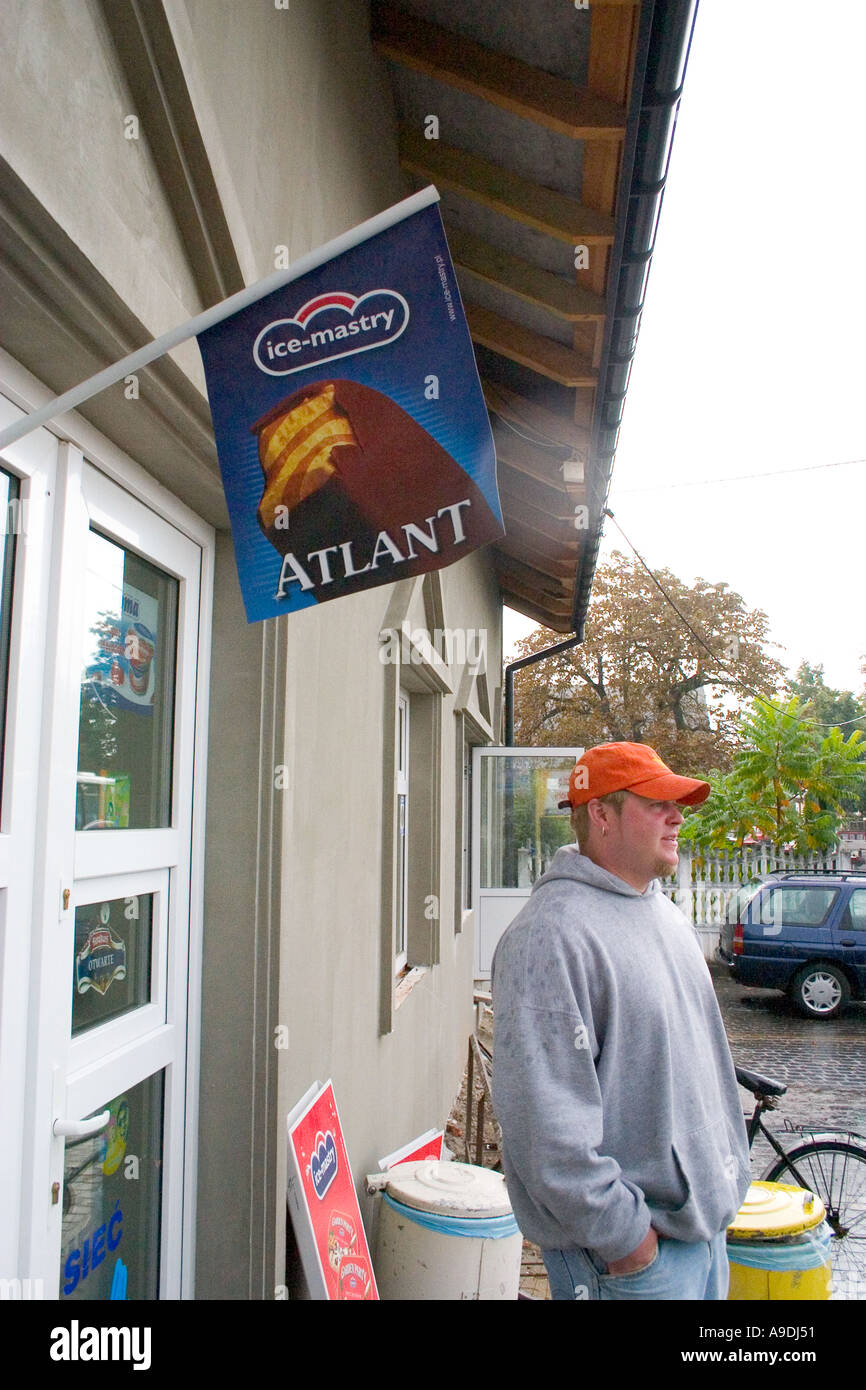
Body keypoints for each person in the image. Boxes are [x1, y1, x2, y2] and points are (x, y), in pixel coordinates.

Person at [490, 741, 750, 1300]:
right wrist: (629, 1241)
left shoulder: (666, 915)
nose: (678, 816)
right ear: (602, 814)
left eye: (676, 803)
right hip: (632, 1266)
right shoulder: (549, 938)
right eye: (656, 802)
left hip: (706, 1241)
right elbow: (546, 1135)